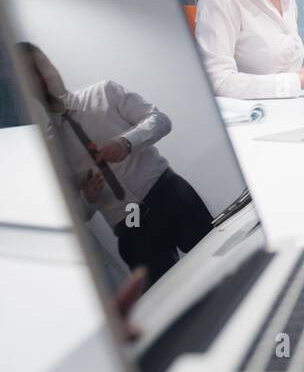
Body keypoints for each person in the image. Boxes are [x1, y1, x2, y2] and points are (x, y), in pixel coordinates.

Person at [22, 44, 212, 286]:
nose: (44, 75)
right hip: (130, 222)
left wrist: (126, 142)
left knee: (222, 258)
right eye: (32, 72)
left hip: (167, 194)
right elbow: (76, 213)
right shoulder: (49, 148)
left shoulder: (105, 92)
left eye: (44, 63)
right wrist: (87, 199)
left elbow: (160, 120)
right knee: (168, 295)